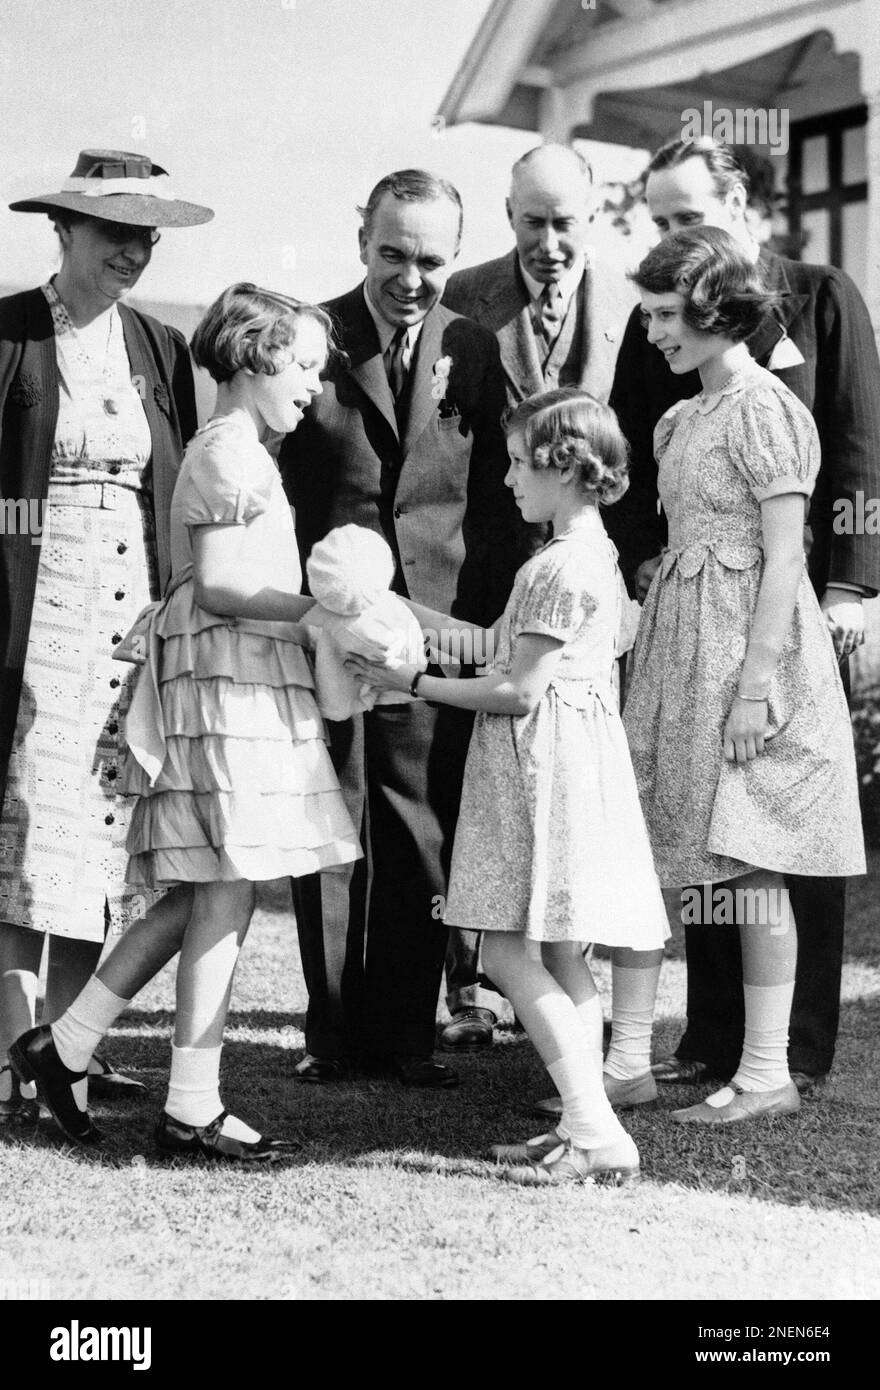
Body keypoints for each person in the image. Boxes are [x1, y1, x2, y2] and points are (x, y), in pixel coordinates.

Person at [10, 284, 362, 1159]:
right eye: (304, 366)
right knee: (226, 883)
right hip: (223, 688)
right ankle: (188, 1104)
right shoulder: (228, 452)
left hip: (243, 680)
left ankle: (68, 1044)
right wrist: (319, 611)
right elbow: (220, 584)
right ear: (253, 358)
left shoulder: (248, 452)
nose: (314, 386)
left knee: (210, 886)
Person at [605, 137, 880, 1095]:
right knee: (694, 831)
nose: (674, 233)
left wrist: (850, 592)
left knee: (773, 832)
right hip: (689, 613)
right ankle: (706, 1039)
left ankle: (784, 1050)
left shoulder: (819, 301)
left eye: (688, 216)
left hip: (778, 611)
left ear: (735, 202)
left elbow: (854, 451)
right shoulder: (674, 377)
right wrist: (649, 566)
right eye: (661, 220)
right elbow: (632, 458)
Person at [347, 387, 668, 1182]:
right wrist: (398, 611)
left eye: (522, 463)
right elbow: (494, 645)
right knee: (558, 948)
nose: (507, 477)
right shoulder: (586, 556)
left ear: (566, 467)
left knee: (502, 947)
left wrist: (412, 683)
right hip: (565, 763)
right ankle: (580, 1123)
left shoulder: (559, 565)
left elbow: (518, 690)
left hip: (541, 769)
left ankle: (595, 1129)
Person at [279, 169, 522, 1088]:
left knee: (422, 832)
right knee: (331, 825)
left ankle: (406, 1034)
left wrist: (487, 626)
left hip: (438, 633)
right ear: (362, 241)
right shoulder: (311, 336)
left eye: (430, 260)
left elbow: (496, 498)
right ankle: (335, 1034)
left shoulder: (474, 345)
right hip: (332, 628)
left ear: (454, 257)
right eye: (392, 254)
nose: (410, 278)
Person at [0, 149, 211, 1124]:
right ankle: (10, 1053)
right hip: (33, 614)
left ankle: (68, 1057)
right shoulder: (11, 333)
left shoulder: (160, 348)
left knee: (100, 839)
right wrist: (19, 541)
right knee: (26, 832)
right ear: (65, 230)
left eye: (146, 237)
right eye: (115, 233)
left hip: (131, 622)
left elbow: (175, 483)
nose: (132, 252)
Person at [441, 142, 636, 1050]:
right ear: (507, 215)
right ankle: (471, 987)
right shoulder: (464, 296)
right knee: (475, 785)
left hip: (585, 588)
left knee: (566, 794)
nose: (549, 243)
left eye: (565, 223)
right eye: (532, 222)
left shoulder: (630, 305)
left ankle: (555, 980)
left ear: (590, 217)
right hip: (488, 573)